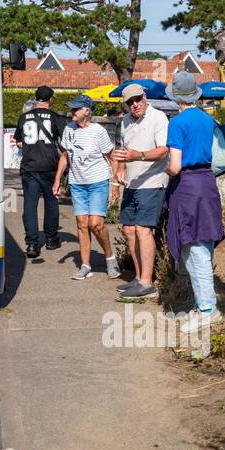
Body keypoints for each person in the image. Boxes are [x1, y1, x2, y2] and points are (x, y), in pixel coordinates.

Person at [165, 71, 225, 331]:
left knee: (195, 250)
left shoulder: (177, 124)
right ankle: (204, 306)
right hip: (207, 184)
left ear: (176, 96)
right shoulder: (207, 119)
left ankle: (207, 310)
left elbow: (176, 166)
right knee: (203, 246)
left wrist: (165, 169)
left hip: (188, 187)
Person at [110, 84, 170, 301]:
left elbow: (163, 151)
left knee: (143, 229)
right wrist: (119, 176)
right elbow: (124, 153)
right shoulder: (126, 121)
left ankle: (148, 283)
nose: (135, 104)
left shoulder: (159, 117)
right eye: (130, 102)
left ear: (145, 97)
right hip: (132, 183)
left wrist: (138, 156)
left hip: (152, 181)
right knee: (128, 229)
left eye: (138, 99)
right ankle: (138, 277)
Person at [52, 95, 115, 280]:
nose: (71, 112)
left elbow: (111, 156)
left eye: (75, 109)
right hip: (77, 182)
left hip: (97, 181)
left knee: (96, 224)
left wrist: (116, 184)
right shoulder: (69, 129)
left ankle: (110, 257)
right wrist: (57, 181)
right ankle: (85, 265)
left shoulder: (98, 131)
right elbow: (65, 155)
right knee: (82, 224)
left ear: (87, 112)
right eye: (71, 108)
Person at [13, 85, 66, 258]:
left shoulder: (24, 117)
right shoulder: (55, 117)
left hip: (29, 166)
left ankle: (32, 244)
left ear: (36, 98)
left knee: (30, 205)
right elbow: (65, 141)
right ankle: (51, 239)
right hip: (50, 166)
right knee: (51, 203)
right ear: (50, 99)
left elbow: (19, 142)